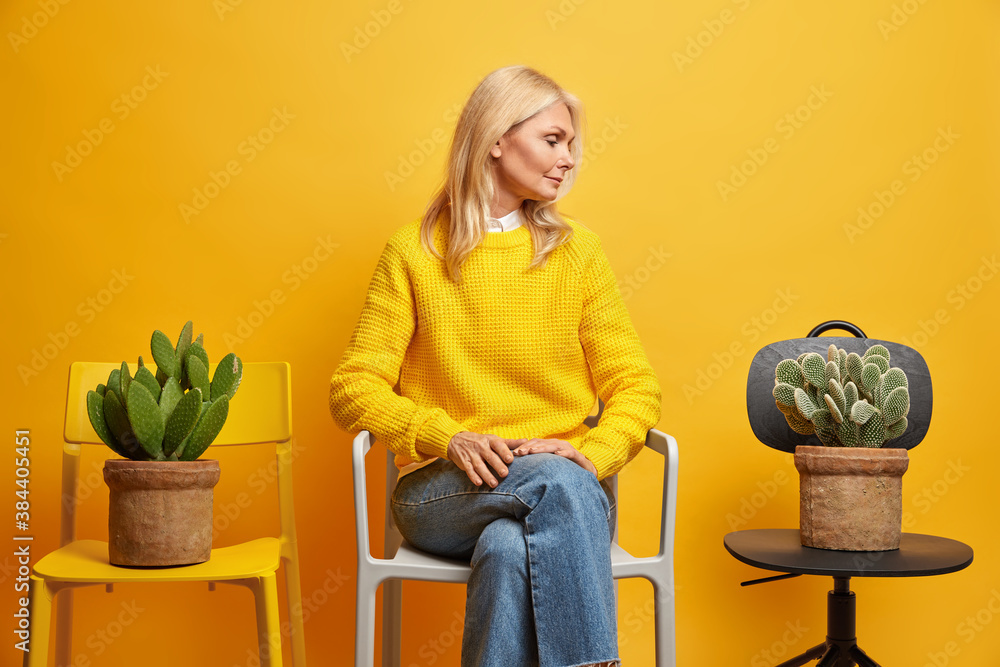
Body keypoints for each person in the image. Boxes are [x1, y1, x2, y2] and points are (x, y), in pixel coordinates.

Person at [329, 64, 661, 667]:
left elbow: (635, 387)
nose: (569, 159)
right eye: (553, 140)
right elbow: (352, 389)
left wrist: (594, 452)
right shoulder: (415, 252)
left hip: (566, 493)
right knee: (556, 485)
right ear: (496, 139)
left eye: (571, 144)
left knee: (510, 548)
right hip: (442, 494)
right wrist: (445, 436)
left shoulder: (577, 254)